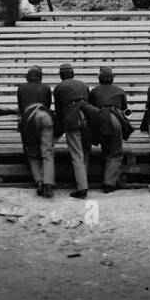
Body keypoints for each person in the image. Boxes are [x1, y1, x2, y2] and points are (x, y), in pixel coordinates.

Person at [53, 62, 93, 199]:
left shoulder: (59, 88)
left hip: (72, 118)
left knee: (77, 153)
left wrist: (57, 132)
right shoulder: (83, 84)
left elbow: (59, 113)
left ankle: (82, 188)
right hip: (87, 116)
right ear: (73, 73)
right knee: (86, 150)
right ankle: (84, 180)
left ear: (61, 75)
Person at [89, 65, 131, 192]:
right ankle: (109, 183)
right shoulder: (119, 90)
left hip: (100, 120)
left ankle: (112, 179)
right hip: (114, 119)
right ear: (112, 78)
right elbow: (124, 108)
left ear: (99, 79)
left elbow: (91, 108)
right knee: (115, 152)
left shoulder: (94, 91)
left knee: (107, 150)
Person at [17, 66, 56, 198]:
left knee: (33, 153)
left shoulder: (22, 87)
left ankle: (39, 181)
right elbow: (48, 104)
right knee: (47, 152)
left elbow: (21, 107)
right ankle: (49, 184)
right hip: (44, 115)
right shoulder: (46, 87)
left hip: (29, 117)